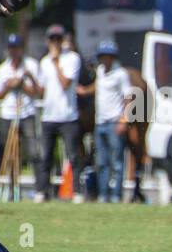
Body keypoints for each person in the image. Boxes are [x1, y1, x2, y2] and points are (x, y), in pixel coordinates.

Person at [79, 40, 132, 203]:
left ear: (112, 57)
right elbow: (98, 87)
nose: (104, 60)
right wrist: (84, 91)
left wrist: (125, 119)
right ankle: (103, 195)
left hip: (115, 122)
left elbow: (129, 97)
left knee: (116, 162)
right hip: (100, 123)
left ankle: (115, 196)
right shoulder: (100, 71)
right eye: (102, 56)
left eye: (107, 56)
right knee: (101, 162)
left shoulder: (121, 73)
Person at [35, 24, 83, 201]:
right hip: (49, 116)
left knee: (73, 156)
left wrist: (56, 62)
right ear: (48, 41)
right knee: (45, 157)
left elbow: (66, 84)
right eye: (52, 39)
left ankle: (77, 192)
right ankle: (42, 191)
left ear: (63, 41)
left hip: (68, 116)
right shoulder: (44, 61)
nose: (55, 42)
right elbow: (41, 89)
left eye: (58, 39)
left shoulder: (72, 58)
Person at [0, 33, 41, 176]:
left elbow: (38, 92)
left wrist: (22, 83)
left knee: (33, 151)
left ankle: (40, 188)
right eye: (12, 48)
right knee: (9, 152)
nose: (14, 51)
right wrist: (8, 86)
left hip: (27, 113)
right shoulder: (3, 68)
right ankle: (11, 185)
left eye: (17, 48)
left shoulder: (31, 65)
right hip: (8, 114)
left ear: (22, 49)